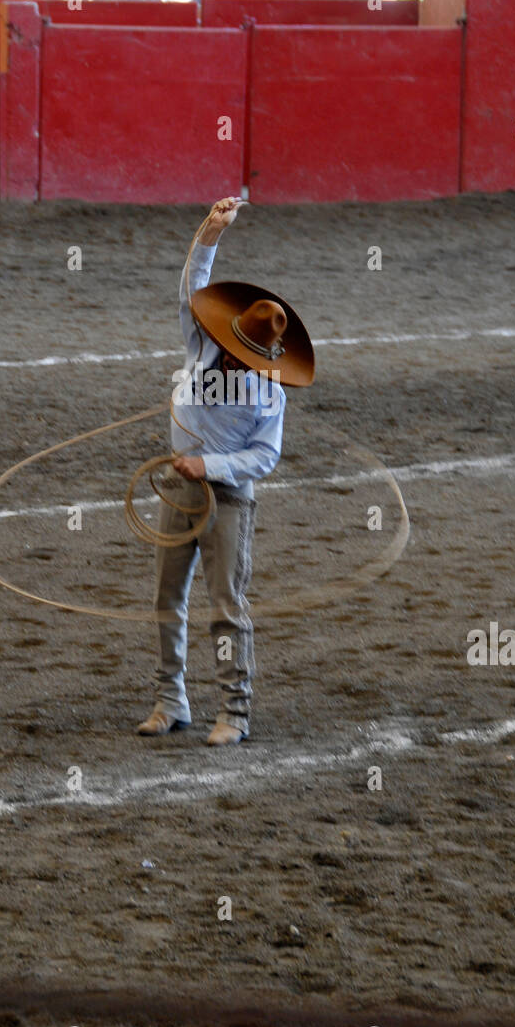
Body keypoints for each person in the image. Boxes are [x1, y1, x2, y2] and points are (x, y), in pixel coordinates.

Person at [137, 198, 315, 746]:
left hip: (229, 499)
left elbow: (264, 458)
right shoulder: (201, 343)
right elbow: (192, 284)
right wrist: (211, 232)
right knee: (167, 597)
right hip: (179, 489)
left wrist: (206, 463)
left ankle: (235, 711)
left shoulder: (270, 393)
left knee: (224, 606)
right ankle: (172, 699)